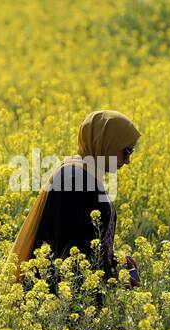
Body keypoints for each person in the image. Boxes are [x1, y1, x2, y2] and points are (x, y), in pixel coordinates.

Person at [12, 110, 140, 291]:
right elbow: (71, 252)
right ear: (106, 144)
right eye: (125, 151)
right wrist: (113, 275)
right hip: (65, 298)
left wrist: (115, 260)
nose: (127, 161)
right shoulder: (75, 180)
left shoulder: (84, 174)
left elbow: (85, 241)